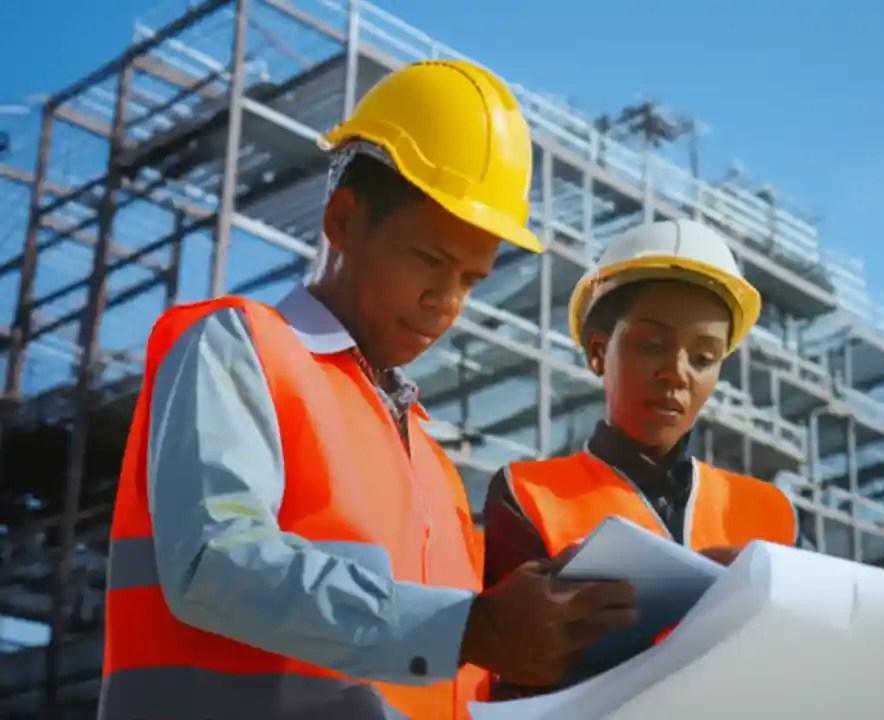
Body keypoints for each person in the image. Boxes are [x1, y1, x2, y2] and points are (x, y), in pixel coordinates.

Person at [97, 60, 637, 720]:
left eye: (471, 279)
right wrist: (475, 628)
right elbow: (216, 563)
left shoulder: (430, 463)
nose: (446, 301)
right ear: (344, 218)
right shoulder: (239, 349)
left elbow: (445, 661)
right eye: (431, 261)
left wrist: (560, 627)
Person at [480, 219, 884, 718]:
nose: (677, 372)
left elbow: (822, 689)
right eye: (652, 345)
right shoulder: (529, 493)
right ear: (599, 350)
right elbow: (508, 682)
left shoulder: (771, 513)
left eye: (704, 357)